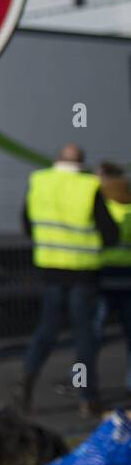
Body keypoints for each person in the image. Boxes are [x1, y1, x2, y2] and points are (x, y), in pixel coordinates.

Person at [17, 144, 120, 417]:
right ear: (82, 163)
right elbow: (110, 232)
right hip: (83, 272)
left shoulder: (39, 181)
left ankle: (25, 385)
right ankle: (88, 397)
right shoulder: (88, 186)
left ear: (57, 160)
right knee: (84, 335)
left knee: (47, 330)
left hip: (50, 268)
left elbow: (26, 223)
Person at [96, 162, 131, 398]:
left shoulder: (103, 208)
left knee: (93, 332)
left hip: (103, 275)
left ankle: (82, 380)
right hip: (127, 277)